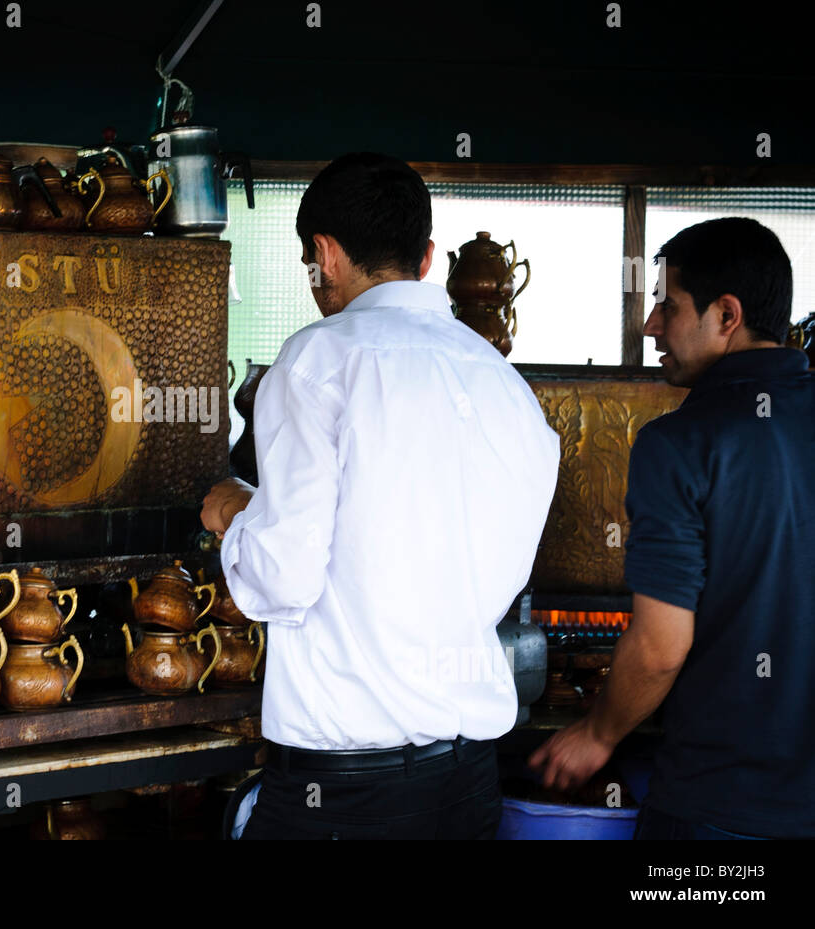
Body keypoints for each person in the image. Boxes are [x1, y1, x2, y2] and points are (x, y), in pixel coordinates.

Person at [201, 153, 560, 839]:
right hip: (466, 784)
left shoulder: (316, 363)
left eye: (311, 264)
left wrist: (235, 515)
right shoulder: (506, 386)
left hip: (341, 795)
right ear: (428, 257)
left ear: (325, 255)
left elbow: (283, 576)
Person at [529, 217, 815, 839]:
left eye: (667, 304)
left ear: (727, 314)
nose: (651, 324)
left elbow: (660, 649)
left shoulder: (680, 443)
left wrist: (598, 734)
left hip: (720, 812)